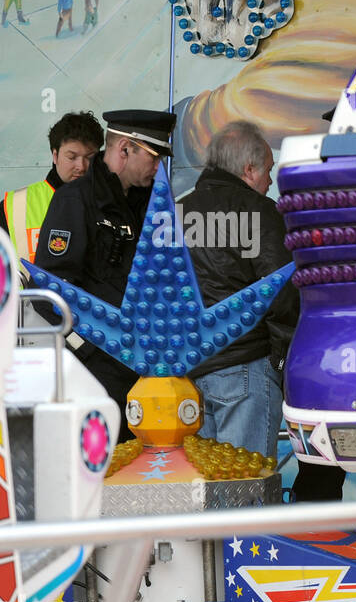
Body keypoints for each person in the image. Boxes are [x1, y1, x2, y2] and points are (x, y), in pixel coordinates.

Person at [34, 109, 177, 430]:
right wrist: (92, 353)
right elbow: (49, 291)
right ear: (125, 149)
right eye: (154, 157)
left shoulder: (147, 203)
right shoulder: (76, 200)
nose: (158, 167)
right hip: (97, 373)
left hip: (146, 369)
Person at [179, 122, 295, 457]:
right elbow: (282, 291)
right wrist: (283, 362)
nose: (270, 182)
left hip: (187, 374)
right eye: (268, 172)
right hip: (246, 366)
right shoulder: (259, 212)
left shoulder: (174, 213)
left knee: (206, 496)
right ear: (248, 170)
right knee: (246, 492)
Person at [2, 111, 104, 260]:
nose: (81, 166)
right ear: (55, 155)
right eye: (72, 157)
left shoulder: (113, 203)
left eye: (90, 158)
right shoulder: (16, 206)